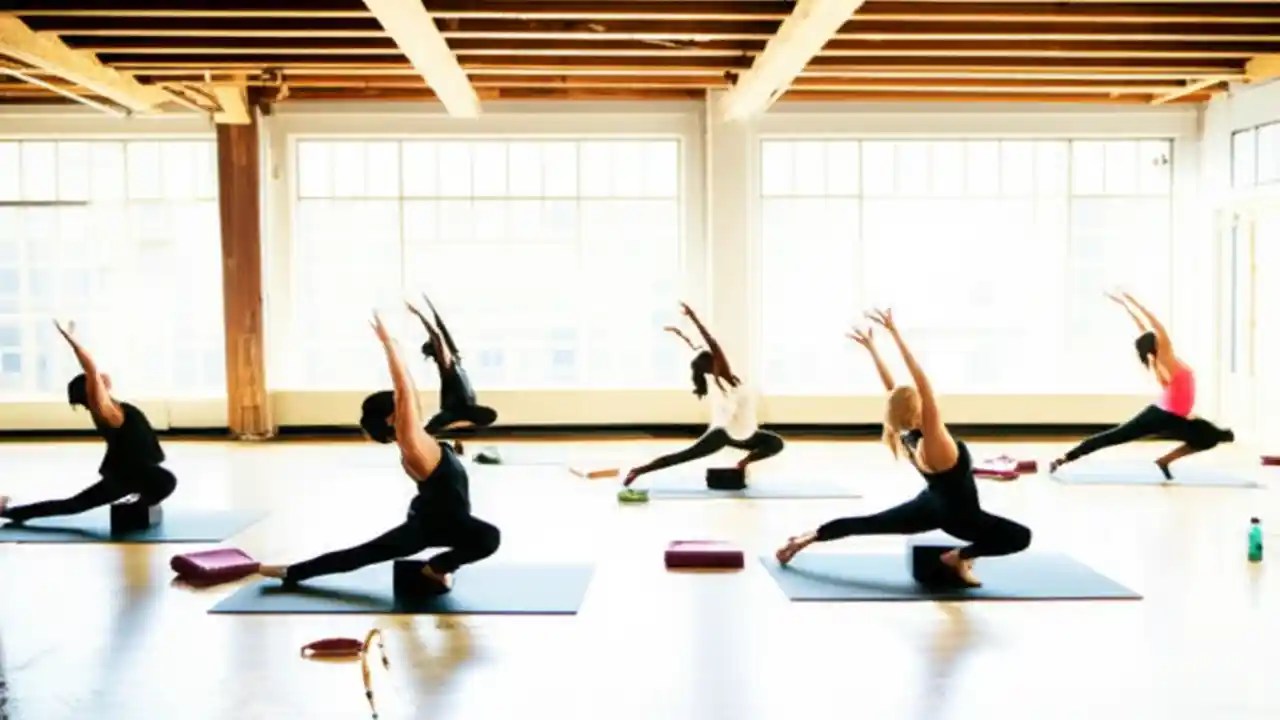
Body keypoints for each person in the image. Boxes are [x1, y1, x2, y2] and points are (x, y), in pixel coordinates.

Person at [775, 310, 1032, 587]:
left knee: (867, 524)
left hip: (928, 506)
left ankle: (805, 538)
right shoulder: (934, 437)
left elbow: (892, 393)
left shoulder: (905, 432)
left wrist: (873, 349)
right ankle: (959, 557)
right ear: (919, 406)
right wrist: (895, 334)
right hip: (961, 517)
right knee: (1020, 536)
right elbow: (922, 381)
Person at [259, 312, 500, 592]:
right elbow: (404, 390)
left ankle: (291, 571)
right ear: (391, 418)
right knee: (488, 538)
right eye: (404, 408)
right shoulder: (412, 443)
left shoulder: (420, 439)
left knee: (363, 554)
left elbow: (433, 406)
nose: (413, 406)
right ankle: (436, 568)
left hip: (431, 520)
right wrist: (390, 345)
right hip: (440, 524)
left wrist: (441, 360)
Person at [0, 321, 176, 524]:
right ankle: (8, 511)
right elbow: (91, 368)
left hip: (132, 472)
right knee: (72, 505)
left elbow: (93, 373)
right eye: (94, 382)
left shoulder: (110, 408)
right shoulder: (105, 411)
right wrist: (73, 342)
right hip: (127, 475)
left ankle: (9, 511)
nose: (100, 378)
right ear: (92, 391)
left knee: (73, 504)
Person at [1048, 290, 1234, 480]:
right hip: (1161, 415)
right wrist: (1134, 302)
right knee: (1115, 436)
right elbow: (1156, 326)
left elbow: (1144, 329)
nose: (1161, 338)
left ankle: (1164, 461)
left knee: (1211, 437)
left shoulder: (1162, 360)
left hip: (1177, 416)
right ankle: (1064, 458)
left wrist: (1126, 306)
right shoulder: (1166, 358)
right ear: (1158, 345)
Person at [620, 302, 784, 494]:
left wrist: (681, 335)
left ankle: (743, 462)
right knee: (685, 456)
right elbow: (712, 343)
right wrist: (693, 317)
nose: (721, 358)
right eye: (717, 359)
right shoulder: (725, 379)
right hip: (726, 434)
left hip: (746, 434)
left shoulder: (722, 379)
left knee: (775, 443)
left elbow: (697, 349)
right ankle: (638, 470)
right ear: (715, 363)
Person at [406, 294, 497, 454]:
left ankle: (457, 439)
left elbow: (440, 333)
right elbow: (439, 335)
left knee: (428, 431)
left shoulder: (451, 362)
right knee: (428, 431)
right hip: (459, 411)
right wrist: (422, 312)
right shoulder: (451, 363)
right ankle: (457, 440)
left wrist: (425, 309)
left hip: (462, 410)